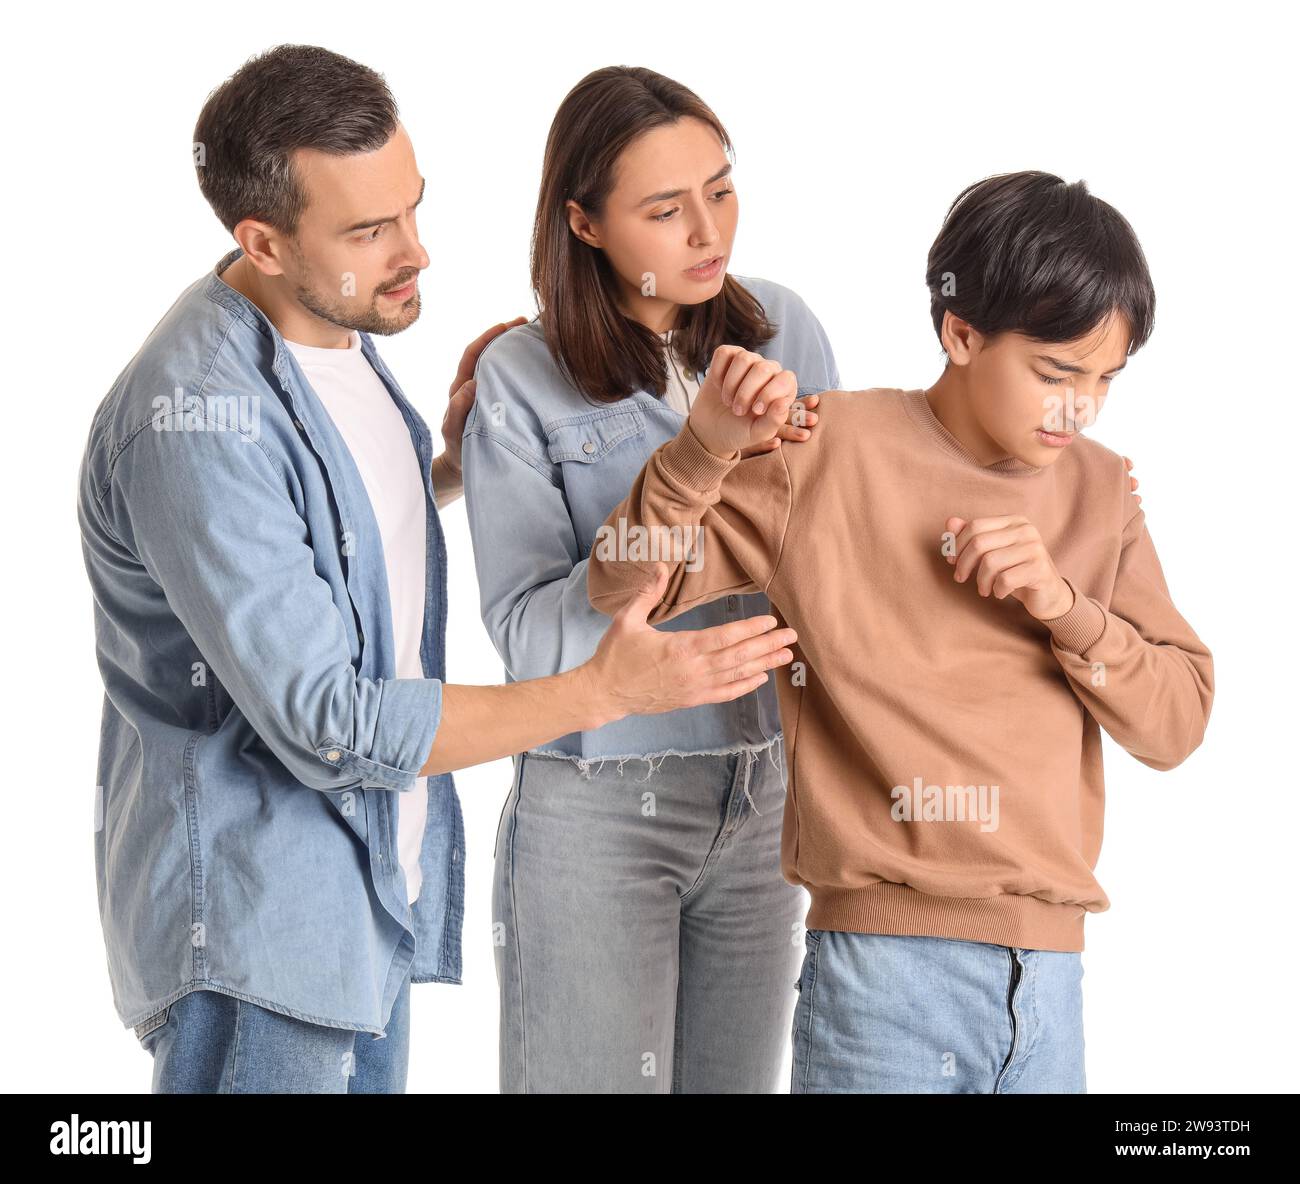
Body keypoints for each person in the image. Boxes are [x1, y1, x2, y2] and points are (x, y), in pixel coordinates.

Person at [75, 44, 796, 1094]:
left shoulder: (331, 332)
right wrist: (603, 690)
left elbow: (326, 546)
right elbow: (333, 718)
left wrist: (452, 467)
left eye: (411, 207)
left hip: (364, 902)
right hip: (256, 933)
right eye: (369, 231)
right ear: (262, 240)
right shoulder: (194, 414)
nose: (414, 251)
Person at [587, 170, 1214, 1093]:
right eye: (1055, 373)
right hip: (885, 978)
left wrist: (1063, 605)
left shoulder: (1103, 488)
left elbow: (1178, 723)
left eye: (1105, 380)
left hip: (1053, 981)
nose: (1079, 409)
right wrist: (706, 446)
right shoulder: (824, 450)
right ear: (960, 333)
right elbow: (621, 580)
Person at [460, 66, 837, 1093]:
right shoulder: (519, 378)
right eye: (665, 210)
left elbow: (837, 568)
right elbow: (530, 633)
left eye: (720, 189)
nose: (707, 229)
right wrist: (704, 453)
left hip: (763, 794)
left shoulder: (786, 331)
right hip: (597, 804)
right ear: (582, 222)